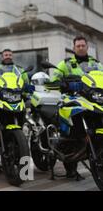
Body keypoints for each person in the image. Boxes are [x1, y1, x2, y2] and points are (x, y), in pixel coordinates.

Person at [50, 35, 101, 180]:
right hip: (73, 98)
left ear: (87, 47)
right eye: (78, 46)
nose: (80, 47)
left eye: (83, 45)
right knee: (71, 131)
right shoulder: (65, 64)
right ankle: (70, 163)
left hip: (94, 100)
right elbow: (55, 79)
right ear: (73, 48)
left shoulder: (96, 64)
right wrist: (64, 84)